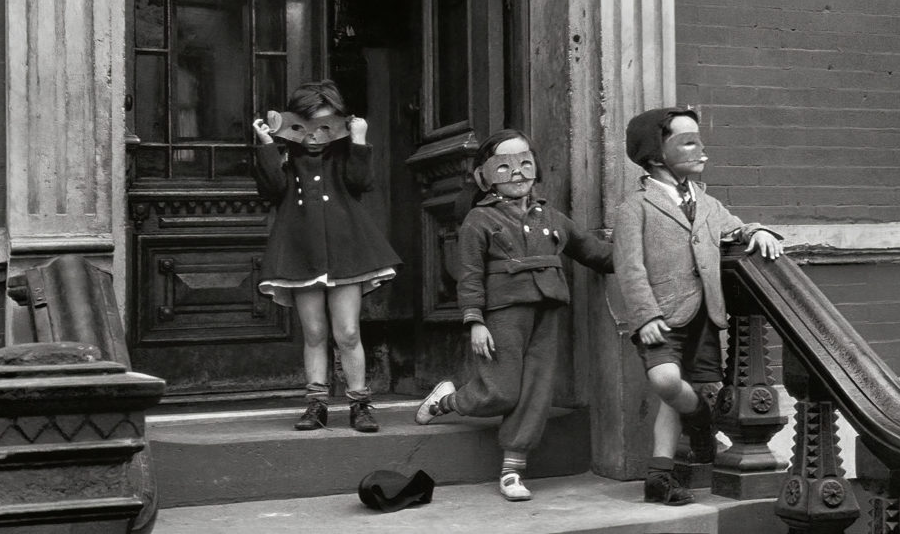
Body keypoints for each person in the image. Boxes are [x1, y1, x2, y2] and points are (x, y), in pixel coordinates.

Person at [415, 129, 614, 502]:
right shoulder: (479, 220)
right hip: (503, 313)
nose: (518, 173)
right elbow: (470, 275)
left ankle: (512, 469)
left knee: (537, 389)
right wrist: (475, 320)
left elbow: (594, 252)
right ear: (486, 177)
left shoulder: (552, 217)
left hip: (548, 308)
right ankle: (447, 401)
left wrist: (639, 254)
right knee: (502, 391)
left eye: (524, 163)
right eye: (504, 167)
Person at [607, 106, 784, 505]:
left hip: (704, 313)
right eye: (688, 142)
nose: (701, 150)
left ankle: (659, 476)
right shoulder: (635, 207)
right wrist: (645, 316)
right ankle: (702, 424)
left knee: (686, 389)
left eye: (699, 140)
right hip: (661, 316)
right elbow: (629, 267)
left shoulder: (706, 202)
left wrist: (757, 231)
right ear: (656, 154)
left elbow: (733, 227)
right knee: (667, 382)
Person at [251, 79, 400, 433]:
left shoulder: (345, 149)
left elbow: (361, 183)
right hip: (301, 250)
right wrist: (268, 144)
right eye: (308, 123)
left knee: (347, 331)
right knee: (315, 331)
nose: (317, 134)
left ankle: (359, 404)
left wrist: (359, 140)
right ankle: (316, 404)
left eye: (326, 123)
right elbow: (272, 189)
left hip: (346, 249)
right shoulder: (287, 152)